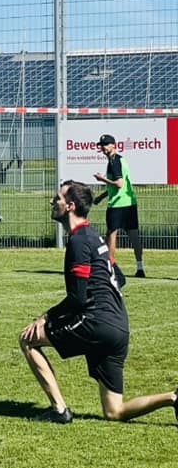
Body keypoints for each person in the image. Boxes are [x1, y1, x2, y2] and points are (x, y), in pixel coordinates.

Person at [19, 180, 177, 425]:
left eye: (57, 199)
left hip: (98, 322)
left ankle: (59, 410)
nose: (52, 202)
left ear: (70, 206)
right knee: (114, 412)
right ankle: (173, 397)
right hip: (119, 327)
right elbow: (120, 278)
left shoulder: (79, 241)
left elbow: (77, 299)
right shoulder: (95, 238)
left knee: (28, 339)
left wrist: (45, 316)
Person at [93, 132, 146, 278]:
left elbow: (119, 184)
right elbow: (118, 186)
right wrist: (101, 197)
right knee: (133, 235)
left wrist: (102, 179)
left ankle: (110, 268)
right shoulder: (122, 160)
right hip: (130, 203)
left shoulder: (114, 161)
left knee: (111, 235)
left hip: (117, 205)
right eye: (101, 145)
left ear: (113, 145)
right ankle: (140, 267)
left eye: (105, 144)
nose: (103, 147)